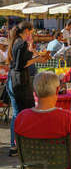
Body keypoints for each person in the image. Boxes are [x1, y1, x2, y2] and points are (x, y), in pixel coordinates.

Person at [6, 21, 50, 156]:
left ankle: (15, 145)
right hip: (19, 81)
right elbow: (21, 65)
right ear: (26, 31)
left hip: (13, 80)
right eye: (31, 32)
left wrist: (36, 56)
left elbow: (20, 62)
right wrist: (37, 59)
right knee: (23, 113)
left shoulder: (16, 41)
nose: (32, 34)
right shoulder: (21, 43)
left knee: (17, 114)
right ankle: (20, 145)